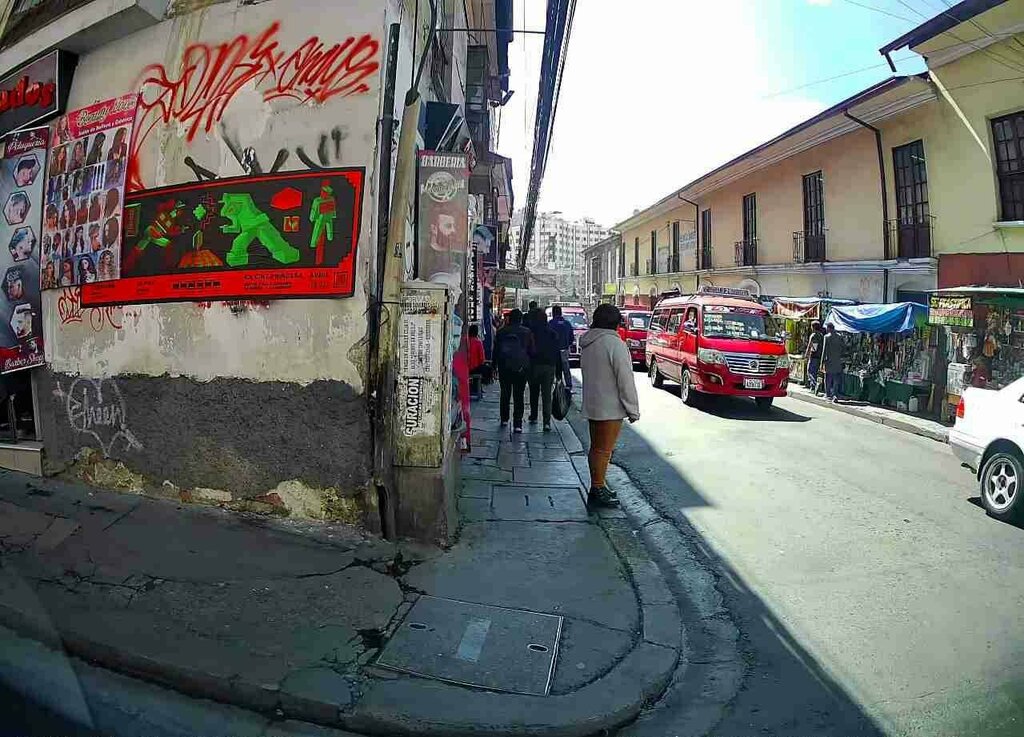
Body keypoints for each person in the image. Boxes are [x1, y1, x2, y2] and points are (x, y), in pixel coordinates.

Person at [580, 304, 640, 506]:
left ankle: (598, 485)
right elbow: (625, 379)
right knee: (604, 450)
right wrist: (632, 409)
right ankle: (597, 488)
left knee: (596, 448)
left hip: (593, 403)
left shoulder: (588, 342)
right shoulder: (615, 344)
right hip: (610, 407)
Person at [493, 309, 534, 432]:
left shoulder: (501, 332)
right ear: (521, 319)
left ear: (509, 318)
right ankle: (517, 424)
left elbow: (496, 351)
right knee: (519, 395)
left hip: (504, 367)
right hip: (521, 369)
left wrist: (494, 366)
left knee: (505, 393)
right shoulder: (527, 332)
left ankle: (504, 419)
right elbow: (532, 351)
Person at [527, 308, 561, 431]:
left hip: (534, 366)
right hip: (549, 367)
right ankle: (546, 422)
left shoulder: (531, 333)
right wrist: (559, 372)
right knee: (547, 395)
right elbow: (557, 354)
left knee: (534, 392)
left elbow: (528, 351)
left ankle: (534, 415)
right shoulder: (553, 334)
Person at [548, 304, 575, 393]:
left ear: (553, 313)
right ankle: (568, 385)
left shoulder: (551, 324)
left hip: (553, 351)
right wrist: (567, 345)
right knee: (566, 369)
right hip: (564, 349)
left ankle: (555, 385)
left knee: (555, 369)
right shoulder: (567, 324)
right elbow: (571, 338)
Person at [821, 323, 845, 402]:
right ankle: (835, 394)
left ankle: (827, 394)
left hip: (829, 361)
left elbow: (824, 350)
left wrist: (822, 363)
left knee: (828, 378)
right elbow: (843, 349)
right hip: (837, 361)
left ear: (829, 328)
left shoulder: (826, 337)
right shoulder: (840, 337)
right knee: (836, 379)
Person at [804, 320, 824, 394]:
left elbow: (812, 346)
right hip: (820, 356)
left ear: (813, 327)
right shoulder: (821, 335)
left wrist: (807, 354)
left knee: (810, 371)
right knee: (815, 372)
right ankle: (814, 387)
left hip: (814, 356)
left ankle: (814, 385)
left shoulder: (813, 335)